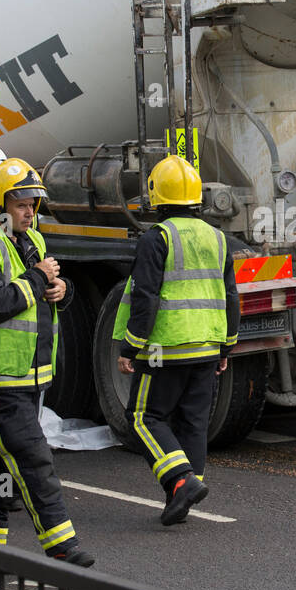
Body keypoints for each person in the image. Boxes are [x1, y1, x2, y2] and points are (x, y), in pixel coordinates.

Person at [0, 158, 94, 567]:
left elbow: (43, 293)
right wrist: (38, 279)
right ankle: (62, 547)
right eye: (22, 203)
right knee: (35, 460)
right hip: (0, 380)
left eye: (34, 203)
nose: (30, 211)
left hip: (30, 377)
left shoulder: (30, 240)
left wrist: (62, 290)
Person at [112, 155, 240, 525]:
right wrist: (226, 347)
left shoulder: (158, 237)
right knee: (192, 424)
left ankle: (180, 481)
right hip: (207, 347)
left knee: (142, 417)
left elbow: (145, 297)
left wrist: (130, 347)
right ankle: (183, 493)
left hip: (165, 349)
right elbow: (231, 296)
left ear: (156, 196)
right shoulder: (217, 237)